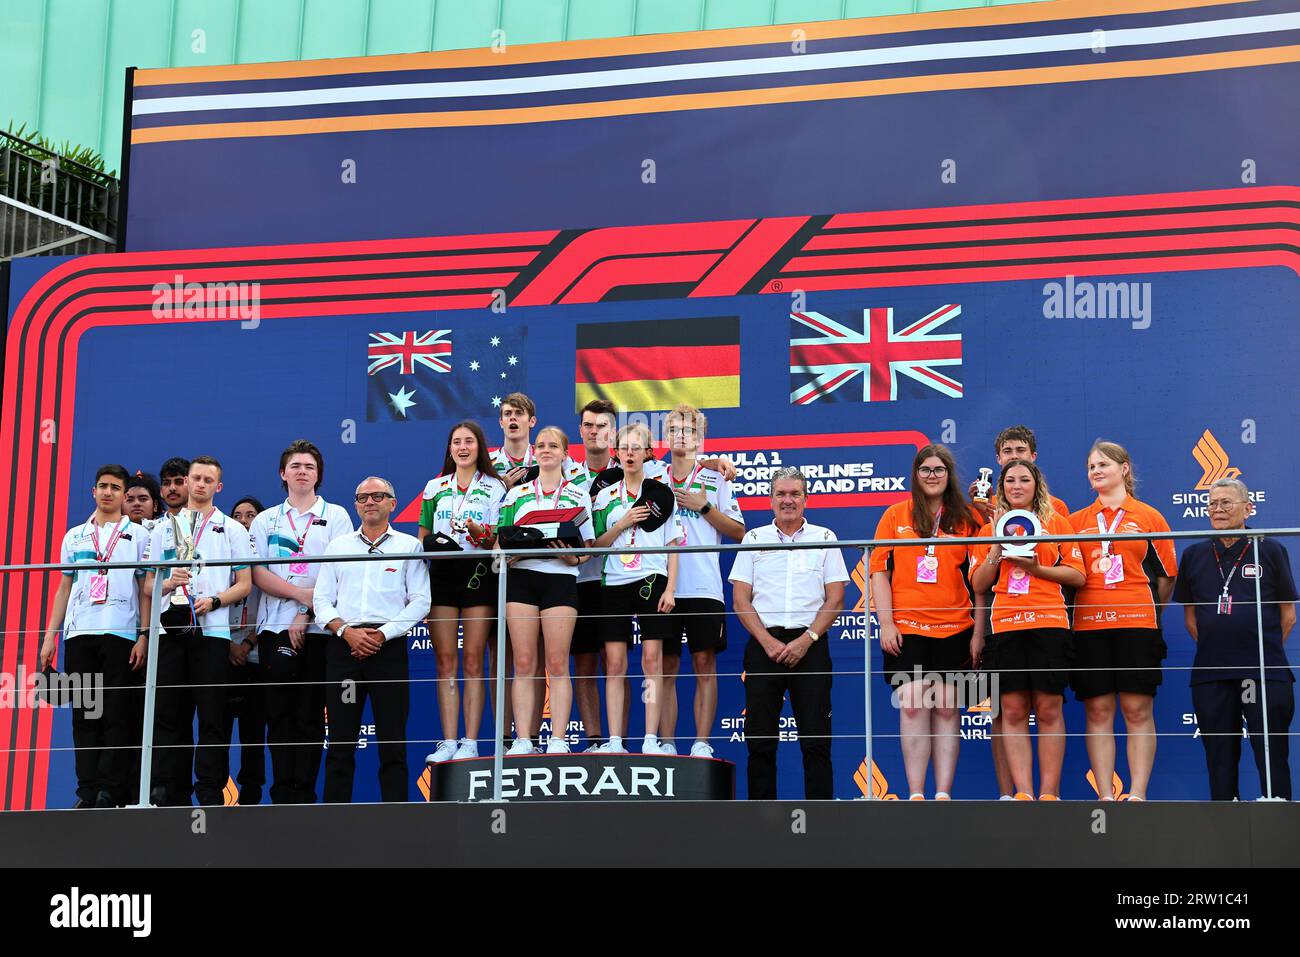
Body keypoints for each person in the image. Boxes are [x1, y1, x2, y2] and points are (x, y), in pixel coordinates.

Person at [870, 444, 984, 800]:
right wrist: (886, 624)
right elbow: (877, 571)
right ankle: (917, 793)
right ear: (915, 475)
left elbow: (981, 579)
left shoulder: (968, 518)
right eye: (925, 470)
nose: (932, 475)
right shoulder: (895, 515)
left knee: (949, 706)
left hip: (957, 628)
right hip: (907, 628)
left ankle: (943, 794)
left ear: (948, 476)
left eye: (939, 470)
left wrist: (979, 633)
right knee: (914, 703)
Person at [969, 459, 1084, 800]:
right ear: (1001, 487)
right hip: (1005, 625)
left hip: (1049, 623)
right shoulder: (989, 527)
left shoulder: (1056, 521)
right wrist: (995, 548)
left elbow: (1078, 576)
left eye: (1024, 480)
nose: (1017, 486)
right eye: (1010, 481)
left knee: (1049, 708)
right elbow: (978, 583)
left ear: (1037, 484)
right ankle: (1023, 792)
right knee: (1013, 710)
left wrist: (1038, 569)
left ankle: (1049, 793)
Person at [730, 467, 848, 799]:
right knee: (760, 742)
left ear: (806, 499)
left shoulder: (825, 537)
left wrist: (805, 640)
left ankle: (820, 821)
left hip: (810, 645)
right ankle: (761, 820)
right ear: (770, 499)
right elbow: (740, 599)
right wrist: (767, 641)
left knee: (816, 742)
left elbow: (836, 598)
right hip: (763, 646)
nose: (788, 500)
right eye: (781, 494)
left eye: (795, 493)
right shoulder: (754, 538)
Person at [1174, 478, 1296, 800]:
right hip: (1212, 673)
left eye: (1226, 503)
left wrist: (1256, 650)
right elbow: (1191, 619)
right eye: (1212, 504)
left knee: (1271, 756)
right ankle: (1226, 826)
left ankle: (1277, 820)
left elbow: (1288, 615)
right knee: (1219, 761)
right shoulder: (1194, 554)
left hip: (1263, 672)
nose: (1218, 509)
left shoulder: (1269, 549)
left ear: (1248, 507)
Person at [1069, 441, 1177, 801]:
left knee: (1136, 708)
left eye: (1103, 464)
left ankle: (1138, 793)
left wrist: (1146, 612)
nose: (1095, 471)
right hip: (1089, 626)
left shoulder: (1150, 517)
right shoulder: (1075, 522)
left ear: (1124, 469)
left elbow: (1167, 578)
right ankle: (1104, 794)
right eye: (1090, 466)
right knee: (1098, 709)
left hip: (1136, 624)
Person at [40, 464, 151, 808]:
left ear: (124, 494)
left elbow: (145, 589)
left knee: (117, 714)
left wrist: (144, 635)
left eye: (115, 488)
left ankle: (109, 790)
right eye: (102, 486)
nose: (107, 492)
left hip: (120, 632)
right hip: (79, 635)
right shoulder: (74, 536)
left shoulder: (140, 535)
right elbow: (63, 588)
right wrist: (49, 637)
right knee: (86, 715)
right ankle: (86, 791)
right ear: (93, 491)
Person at [249, 440, 353, 804]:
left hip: (320, 630)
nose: (302, 471)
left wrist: (307, 612)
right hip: (273, 627)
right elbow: (258, 574)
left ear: (318, 475)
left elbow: (338, 572)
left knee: (309, 715)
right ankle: (281, 797)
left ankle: (305, 795)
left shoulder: (337, 515)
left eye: (309, 466)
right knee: (278, 715)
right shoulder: (265, 520)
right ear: (283, 474)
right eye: (295, 466)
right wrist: (300, 598)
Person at [145, 456, 253, 806]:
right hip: (170, 631)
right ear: (186, 482)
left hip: (213, 633)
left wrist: (215, 601)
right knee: (168, 714)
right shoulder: (161, 528)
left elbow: (245, 584)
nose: (201, 484)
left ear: (218, 486)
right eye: (196, 478)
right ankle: (167, 789)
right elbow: (148, 584)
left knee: (211, 716)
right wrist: (167, 582)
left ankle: (209, 790)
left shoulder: (232, 529)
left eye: (209, 480)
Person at [315, 477, 430, 802]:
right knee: (340, 741)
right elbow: (321, 602)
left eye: (378, 496)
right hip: (344, 650)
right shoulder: (338, 547)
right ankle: (334, 818)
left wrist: (381, 634)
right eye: (362, 497)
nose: (369, 502)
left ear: (393, 503)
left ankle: (395, 816)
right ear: (355, 505)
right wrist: (347, 632)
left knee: (392, 740)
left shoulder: (409, 546)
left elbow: (420, 601)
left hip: (387, 649)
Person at [495, 427, 594, 754]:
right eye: (541, 445)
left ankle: (558, 739)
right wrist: (513, 553)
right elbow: (499, 546)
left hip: (560, 577)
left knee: (556, 661)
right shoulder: (516, 495)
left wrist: (572, 556)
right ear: (534, 451)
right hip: (522, 578)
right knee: (523, 661)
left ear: (566, 454)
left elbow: (589, 548)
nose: (547, 450)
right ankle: (523, 739)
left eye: (554, 445)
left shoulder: (578, 494)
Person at [591, 423, 686, 754]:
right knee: (615, 663)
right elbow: (595, 547)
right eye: (624, 448)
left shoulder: (662, 493)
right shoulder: (604, 497)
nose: (629, 453)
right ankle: (615, 740)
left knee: (651, 660)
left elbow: (674, 546)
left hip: (652, 579)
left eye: (637, 447)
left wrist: (671, 589)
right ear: (615, 453)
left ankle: (649, 738)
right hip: (614, 581)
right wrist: (621, 524)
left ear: (648, 453)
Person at [659, 404, 744, 758]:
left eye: (689, 430)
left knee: (704, 664)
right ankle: (665, 744)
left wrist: (705, 506)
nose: (681, 435)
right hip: (662, 584)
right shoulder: (653, 477)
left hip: (705, 587)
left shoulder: (716, 478)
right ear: (666, 436)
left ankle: (701, 743)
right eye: (675, 429)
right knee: (666, 666)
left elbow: (739, 532)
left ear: (700, 438)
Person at [419, 421, 506, 762]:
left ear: (480, 447)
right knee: (445, 661)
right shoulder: (434, 486)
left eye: (469, 441)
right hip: (442, 573)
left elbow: (498, 536)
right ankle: (449, 741)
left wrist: (477, 530)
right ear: (450, 448)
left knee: (473, 659)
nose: (462, 447)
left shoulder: (496, 486)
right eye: (456, 441)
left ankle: (470, 741)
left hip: (478, 572)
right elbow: (424, 533)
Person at [566, 399, 624, 750]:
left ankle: (617, 737)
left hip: (619, 579)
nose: (594, 431)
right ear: (580, 431)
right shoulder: (567, 473)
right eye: (588, 425)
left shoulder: (633, 466)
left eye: (602, 426)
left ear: (613, 431)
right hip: (578, 579)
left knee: (615, 661)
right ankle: (594, 739)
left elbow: (678, 466)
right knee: (584, 661)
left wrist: (718, 462)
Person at [226, 496, 267, 805]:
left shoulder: (266, 563)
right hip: (223, 654)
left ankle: (251, 793)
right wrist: (230, 645)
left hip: (255, 655)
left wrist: (248, 644)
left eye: (250, 515)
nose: (243, 521)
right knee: (219, 729)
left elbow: (271, 610)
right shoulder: (220, 555)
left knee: (254, 732)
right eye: (237, 515)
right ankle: (213, 790)